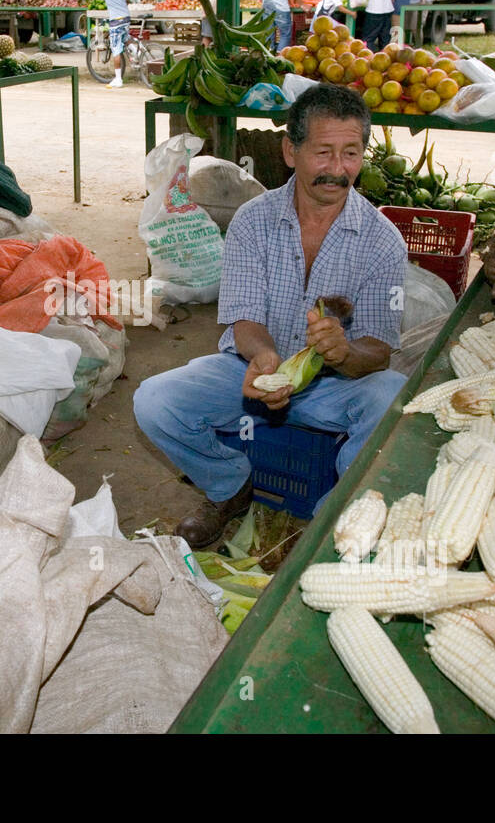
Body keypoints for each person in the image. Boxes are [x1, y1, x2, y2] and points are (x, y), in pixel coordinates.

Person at [134, 85, 408, 547]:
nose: (337, 170)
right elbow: (244, 320)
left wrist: (344, 353)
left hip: (335, 388)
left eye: (351, 153)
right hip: (250, 376)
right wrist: (263, 359)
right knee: (155, 402)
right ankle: (228, 485)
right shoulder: (251, 220)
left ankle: (332, 519)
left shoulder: (383, 242)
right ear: (290, 150)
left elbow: (378, 351)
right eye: (323, 152)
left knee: (392, 401)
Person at [97, 0, 132, 88]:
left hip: (115, 20)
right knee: (125, 38)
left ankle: (118, 79)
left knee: (116, 50)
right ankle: (136, 52)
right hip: (126, 17)